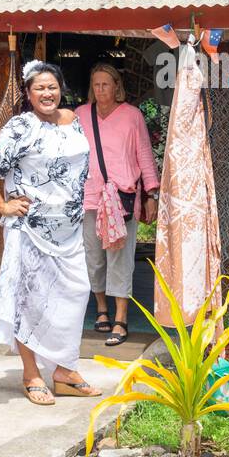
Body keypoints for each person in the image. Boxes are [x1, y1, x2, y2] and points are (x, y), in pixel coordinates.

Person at [0, 60, 103, 406]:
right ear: (29, 95)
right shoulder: (20, 127)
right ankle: (32, 374)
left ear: (61, 89)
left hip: (70, 228)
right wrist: (2, 205)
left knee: (76, 292)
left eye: (52, 87)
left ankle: (64, 371)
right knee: (29, 299)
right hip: (29, 228)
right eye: (39, 88)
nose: (47, 93)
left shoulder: (73, 120)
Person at [76, 62, 159, 346]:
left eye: (106, 84)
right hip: (90, 198)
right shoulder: (80, 115)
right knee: (94, 258)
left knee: (120, 259)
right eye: (96, 85)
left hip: (122, 198)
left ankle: (121, 318)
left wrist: (151, 194)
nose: (101, 90)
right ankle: (101, 310)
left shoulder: (132, 116)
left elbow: (144, 155)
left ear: (116, 86)